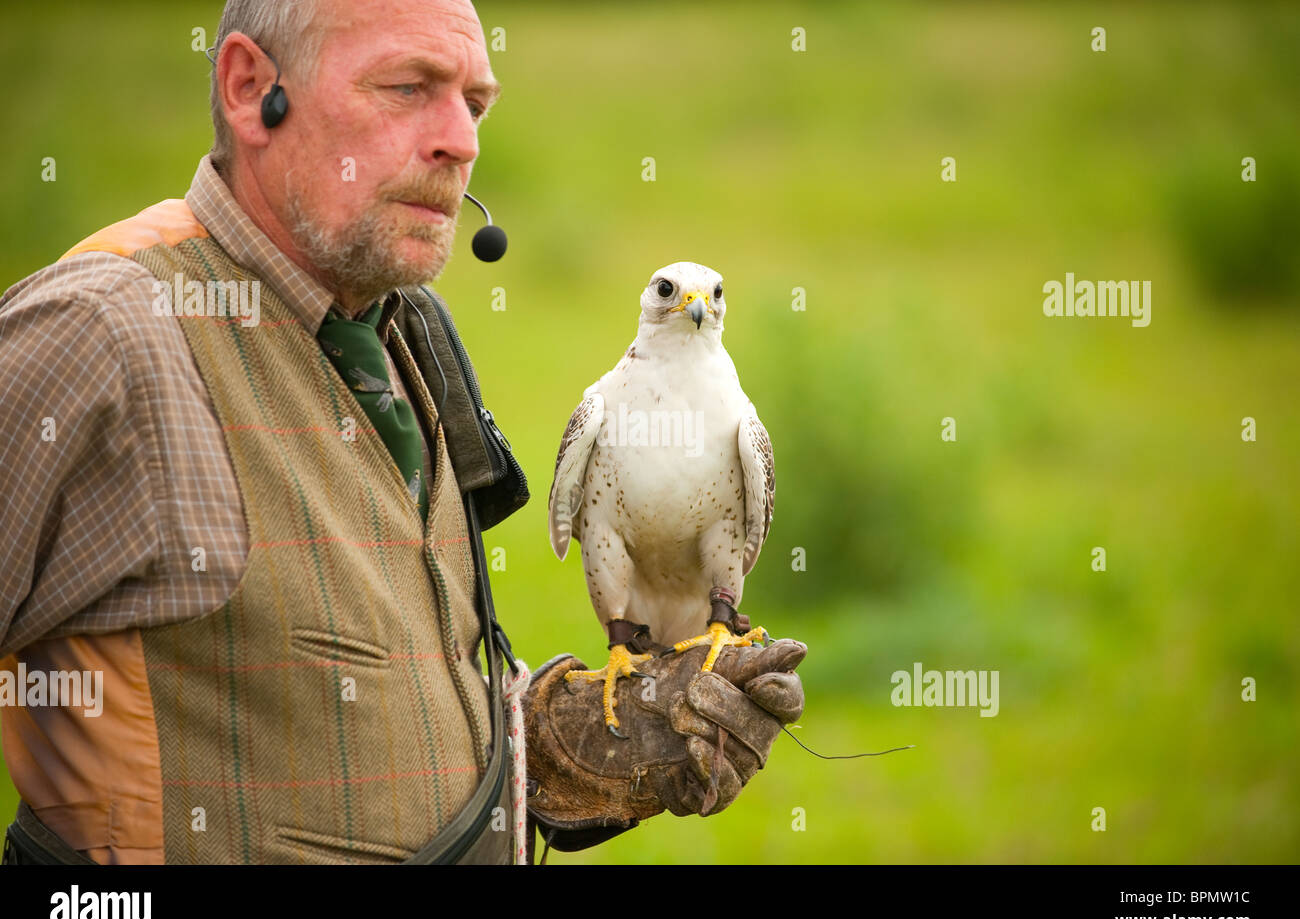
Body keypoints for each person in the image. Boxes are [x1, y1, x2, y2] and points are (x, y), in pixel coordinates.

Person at [0, 0, 806, 865]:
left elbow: (374, 704)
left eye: (475, 103)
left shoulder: (401, 331)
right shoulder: (100, 333)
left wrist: (562, 750)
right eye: (409, 87)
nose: (461, 140)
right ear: (249, 87)